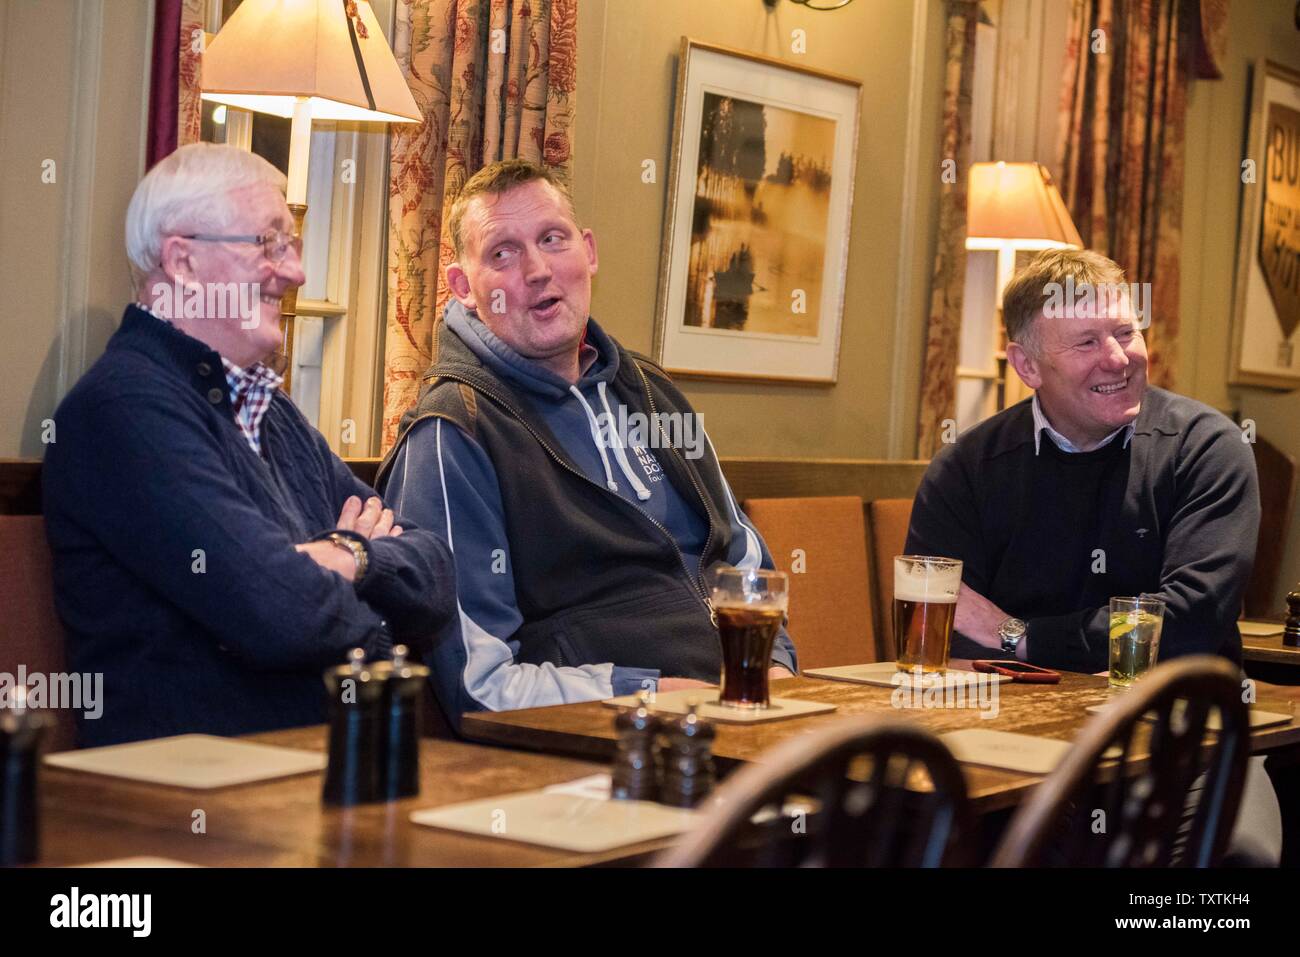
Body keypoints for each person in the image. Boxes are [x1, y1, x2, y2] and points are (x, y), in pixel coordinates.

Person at [42, 143, 456, 746]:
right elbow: (280, 613)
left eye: (289, 245)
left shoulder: (272, 410)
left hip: (316, 774)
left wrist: (343, 557)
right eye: (268, 243)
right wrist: (353, 568)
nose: (294, 272)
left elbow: (438, 578)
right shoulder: (123, 411)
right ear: (182, 261)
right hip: (192, 800)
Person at [378, 159, 796, 723]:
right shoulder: (452, 433)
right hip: (607, 743)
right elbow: (477, 685)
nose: (537, 270)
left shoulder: (654, 393)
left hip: (738, 712)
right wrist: (646, 692)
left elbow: (744, 561)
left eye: (553, 239)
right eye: (502, 252)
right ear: (463, 287)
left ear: (589, 252)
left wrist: (776, 669)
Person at [905, 248, 1260, 672]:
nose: (1117, 359)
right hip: (1008, 722)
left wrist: (1017, 636)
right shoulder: (966, 469)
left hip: (1171, 721)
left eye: (1126, 332)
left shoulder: (1205, 448)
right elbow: (943, 634)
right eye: (1087, 342)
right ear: (1026, 366)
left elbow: (1187, 624)